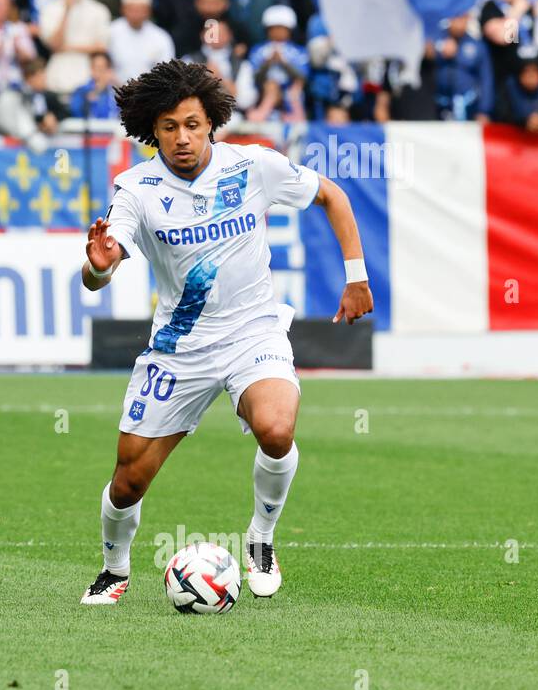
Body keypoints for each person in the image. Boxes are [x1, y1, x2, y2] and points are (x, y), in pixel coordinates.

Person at [79, 60, 373, 606]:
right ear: (153, 130)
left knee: (277, 429)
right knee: (129, 481)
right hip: (179, 349)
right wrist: (98, 264)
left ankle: (261, 538)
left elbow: (332, 195)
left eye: (192, 124)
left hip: (252, 333)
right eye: (169, 127)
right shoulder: (136, 189)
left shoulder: (254, 166)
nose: (182, 137)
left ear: (211, 121)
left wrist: (356, 277)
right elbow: (101, 269)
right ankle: (114, 570)